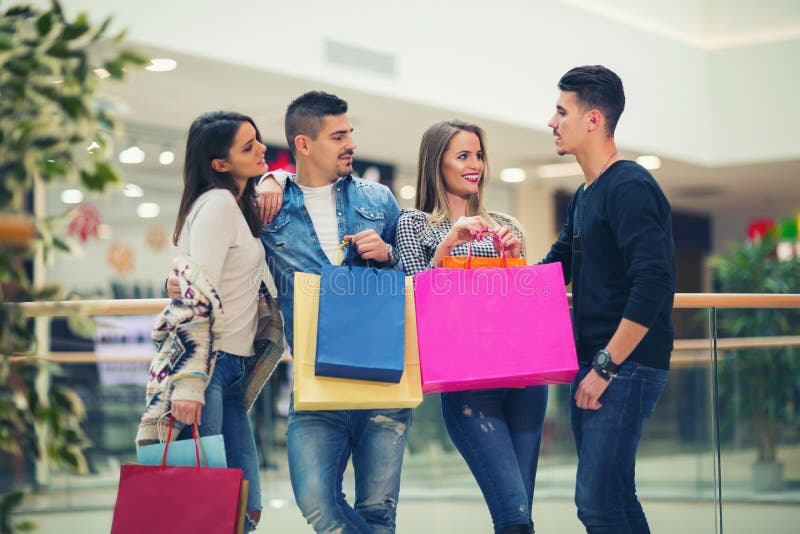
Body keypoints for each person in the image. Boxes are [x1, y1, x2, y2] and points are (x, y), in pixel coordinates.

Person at [258, 91, 411, 534]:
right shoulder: (270, 206)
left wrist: (387, 257)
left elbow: (411, 280)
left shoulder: (378, 198)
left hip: (382, 378)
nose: (351, 144)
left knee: (378, 513)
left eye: (350, 133)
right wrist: (271, 178)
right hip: (315, 380)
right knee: (317, 502)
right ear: (303, 144)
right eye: (338, 136)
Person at [395, 120, 548, 534]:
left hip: (525, 378)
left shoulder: (506, 224)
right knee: (514, 517)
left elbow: (523, 304)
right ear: (436, 163)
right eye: (463, 156)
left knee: (520, 513)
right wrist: (446, 250)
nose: (475, 165)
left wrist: (515, 258)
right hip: (467, 381)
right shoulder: (414, 224)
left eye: (478, 155)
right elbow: (411, 299)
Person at [541, 65, 675, 533]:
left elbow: (654, 284)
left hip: (624, 365)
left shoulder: (630, 186)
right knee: (615, 496)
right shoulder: (584, 195)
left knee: (596, 503)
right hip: (600, 361)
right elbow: (554, 267)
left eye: (561, 112)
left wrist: (604, 366)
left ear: (594, 119)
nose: (552, 122)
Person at [142, 111, 284, 532]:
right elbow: (194, 296)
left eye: (258, 140)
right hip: (209, 369)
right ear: (219, 164)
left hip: (233, 371)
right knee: (207, 508)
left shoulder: (238, 205)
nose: (261, 149)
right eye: (248, 146)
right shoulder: (219, 206)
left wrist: (274, 180)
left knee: (244, 504)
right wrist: (189, 382)